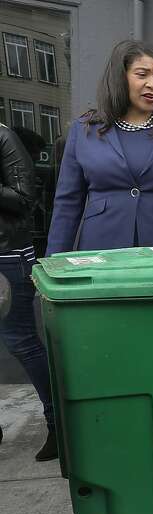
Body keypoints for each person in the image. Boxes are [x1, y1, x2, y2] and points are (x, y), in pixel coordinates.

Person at [46, 40, 153, 255]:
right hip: (102, 251)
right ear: (120, 78)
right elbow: (67, 205)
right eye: (142, 74)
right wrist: (51, 266)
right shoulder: (83, 132)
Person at [0, 124, 57, 460]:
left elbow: (23, 198)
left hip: (6, 255)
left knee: (20, 341)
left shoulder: (3, 136)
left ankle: (59, 424)